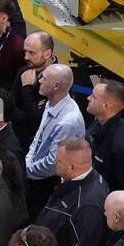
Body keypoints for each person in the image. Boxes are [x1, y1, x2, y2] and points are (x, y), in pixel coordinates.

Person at [33, 138, 109, 246]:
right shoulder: (78, 181)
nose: (54, 162)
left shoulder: (86, 205)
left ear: (72, 167)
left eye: (58, 161)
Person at [24, 64, 84, 220]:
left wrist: (26, 171)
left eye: (44, 77)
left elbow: (52, 164)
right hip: (35, 173)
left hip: (47, 183)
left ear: (56, 85)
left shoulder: (67, 122)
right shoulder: (51, 103)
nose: (39, 79)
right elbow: (38, 138)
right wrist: (27, 162)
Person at [85, 79, 124, 203]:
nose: (88, 98)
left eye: (94, 97)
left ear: (106, 106)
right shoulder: (97, 124)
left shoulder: (123, 145)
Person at [11, 32, 57, 150]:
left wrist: (27, 89)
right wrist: (28, 115)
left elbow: (38, 121)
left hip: (40, 145)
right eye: (25, 52)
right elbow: (10, 105)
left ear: (47, 54)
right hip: (18, 138)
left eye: (31, 53)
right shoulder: (24, 71)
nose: (26, 57)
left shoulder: (58, 79)